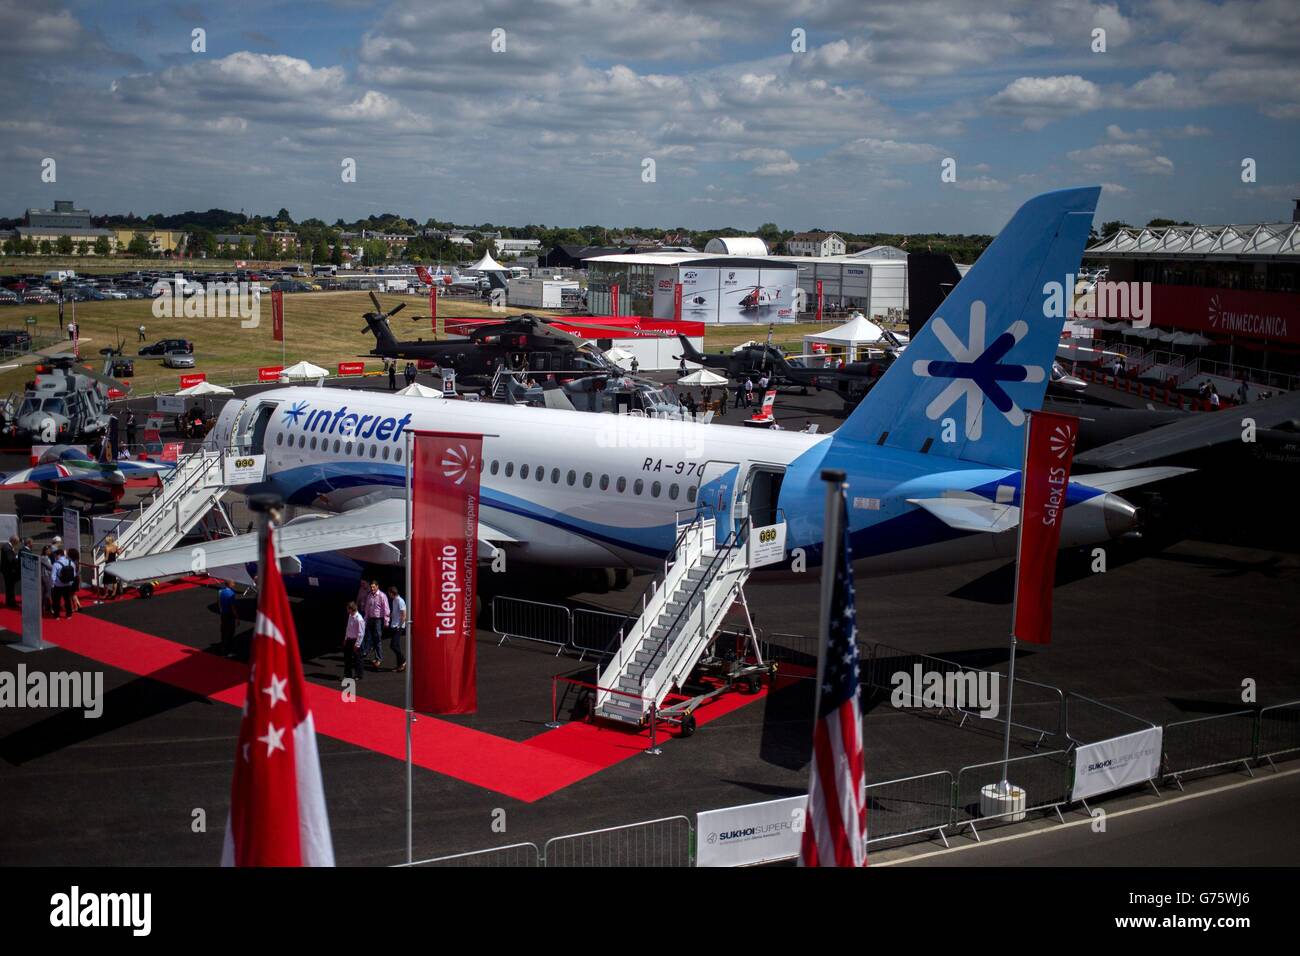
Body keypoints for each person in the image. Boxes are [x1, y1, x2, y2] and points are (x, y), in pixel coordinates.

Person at [359, 579, 389, 667]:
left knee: (378, 639)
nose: (372, 588)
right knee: (370, 637)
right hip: (370, 619)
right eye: (371, 587)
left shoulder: (382, 596)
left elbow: (386, 609)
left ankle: (379, 658)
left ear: (377, 586)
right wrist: (365, 620)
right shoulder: (369, 596)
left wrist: (386, 621)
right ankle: (375, 656)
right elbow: (367, 609)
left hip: (378, 620)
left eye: (373, 587)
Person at [51, 547, 78, 619]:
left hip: (58, 585)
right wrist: (70, 582)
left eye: (56, 555)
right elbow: (74, 574)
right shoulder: (71, 562)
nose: (55, 557)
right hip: (68, 584)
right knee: (67, 600)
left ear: (58, 555)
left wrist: (53, 585)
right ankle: (69, 614)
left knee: (56, 600)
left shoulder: (56, 564)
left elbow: (53, 576)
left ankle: (57, 615)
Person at [343, 601, 365, 683]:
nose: (347, 611)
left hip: (356, 641)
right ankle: (347, 674)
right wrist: (345, 638)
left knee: (357, 658)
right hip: (349, 639)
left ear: (351, 609)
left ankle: (359, 675)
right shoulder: (350, 616)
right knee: (347, 658)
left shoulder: (359, 619)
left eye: (348, 609)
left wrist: (357, 644)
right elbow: (348, 628)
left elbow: (361, 633)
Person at [387, 586, 407, 672]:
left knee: (393, 645)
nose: (389, 595)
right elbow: (395, 612)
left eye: (389, 593)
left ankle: (403, 660)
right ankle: (400, 666)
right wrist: (390, 615)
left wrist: (399, 626)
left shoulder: (400, 601)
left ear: (392, 593)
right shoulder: (394, 600)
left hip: (398, 627)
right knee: (396, 646)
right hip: (394, 625)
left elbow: (403, 615)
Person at [217, 581, 238, 656]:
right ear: (229, 584)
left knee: (223, 631)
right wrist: (237, 617)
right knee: (230, 632)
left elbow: (219, 602)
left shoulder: (220, 591)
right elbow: (233, 608)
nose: (234, 584)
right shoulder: (231, 594)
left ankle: (223, 648)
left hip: (223, 614)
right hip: (229, 615)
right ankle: (228, 651)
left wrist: (221, 611)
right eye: (233, 583)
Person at [99, 533, 122, 599]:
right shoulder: (115, 546)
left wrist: (99, 563)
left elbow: (106, 559)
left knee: (106, 581)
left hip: (108, 565)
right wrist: (121, 550)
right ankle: (113, 594)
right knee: (114, 580)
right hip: (114, 565)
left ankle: (106, 594)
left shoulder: (107, 548)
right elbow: (119, 553)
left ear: (108, 541)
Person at [1, 535, 19, 609]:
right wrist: (16, 558)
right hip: (8, 571)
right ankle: (11, 603)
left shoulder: (7, 546)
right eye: (16, 542)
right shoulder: (7, 548)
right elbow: (10, 560)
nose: (17, 544)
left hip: (7, 570)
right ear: (13, 541)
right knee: (10, 587)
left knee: (10, 587)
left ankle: (10, 601)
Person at [39, 545, 53, 618]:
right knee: (47, 592)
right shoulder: (44, 558)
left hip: (45, 576)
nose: (50, 551)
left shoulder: (45, 557)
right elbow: (50, 567)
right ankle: (45, 608)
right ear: (45, 551)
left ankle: (45, 608)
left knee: (45, 592)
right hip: (45, 576)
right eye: (48, 550)